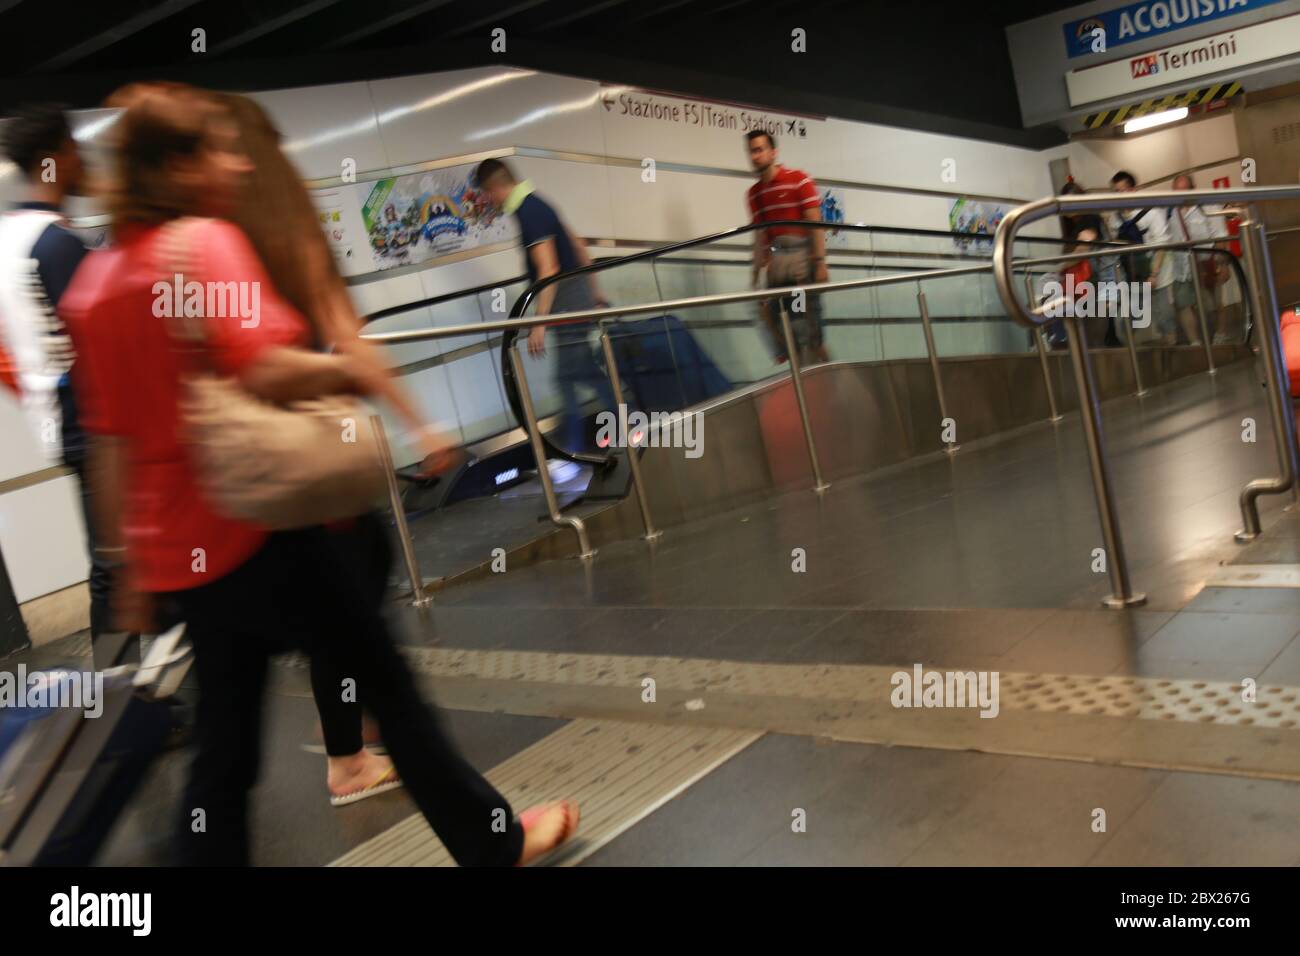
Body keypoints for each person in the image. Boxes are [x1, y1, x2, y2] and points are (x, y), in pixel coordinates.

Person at [62, 85, 578, 866]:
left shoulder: (94, 287)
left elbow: (107, 443)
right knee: (389, 686)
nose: (235, 163)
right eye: (216, 149)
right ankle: (491, 843)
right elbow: (262, 364)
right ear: (175, 167)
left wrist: (129, 569)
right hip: (257, 526)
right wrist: (350, 376)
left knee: (225, 753)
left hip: (182, 557)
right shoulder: (202, 244)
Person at [214, 91, 468, 806]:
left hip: (258, 471)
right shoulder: (272, 238)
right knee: (342, 609)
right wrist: (416, 422)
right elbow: (346, 347)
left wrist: (415, 421)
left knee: (335, 611)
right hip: (300, 465)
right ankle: (352, 759)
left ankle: (365, 739)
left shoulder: (223, 240)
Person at [0, 105, 108, 653]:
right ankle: (119, 705)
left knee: (116, 561)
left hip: (63, 426)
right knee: (116, 565)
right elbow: (99, 345)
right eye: (74, 147)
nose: (81, 157)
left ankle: (126, 700)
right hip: (97, 428)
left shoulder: (7, 238)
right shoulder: (54, 243)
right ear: (56, 158)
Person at [473, 158, 614, 456]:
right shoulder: (538, 202)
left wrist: (540, 323)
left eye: (487, 194)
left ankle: (574, 452)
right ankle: (628, 424)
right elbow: (577, 245)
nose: (488, 201)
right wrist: (595, 292)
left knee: (565, 377)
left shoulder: (529, 211)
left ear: (496, 187)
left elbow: (548, 269)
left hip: (567, 304)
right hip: (577, 300)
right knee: (585, 370)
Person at [745, 130, 829, 365]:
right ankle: (801, 376)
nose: (755, 156)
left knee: (807, 330)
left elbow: (815, 224)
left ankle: (827, 381)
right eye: (752, 151)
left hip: (801, 266)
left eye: (760, 150)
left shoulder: (798, 180)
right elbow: (761, 236)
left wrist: (820, 263)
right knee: (772, 319)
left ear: (774, 152)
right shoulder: (755, 194)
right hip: (777, 266)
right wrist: (755, 275)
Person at [1170, 172, 1232, 343]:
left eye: (1183, 190)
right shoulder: (1171, 211)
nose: (1180, 195)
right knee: (1183, 304)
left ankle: (1221, 333)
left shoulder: (1208, 206)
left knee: (1215, 301)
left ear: (1193, 189)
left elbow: (1220, 236)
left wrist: (1223, 265)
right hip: (1182, 267)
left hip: (1207, 263)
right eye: (1176, 191)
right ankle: (1195, 342)